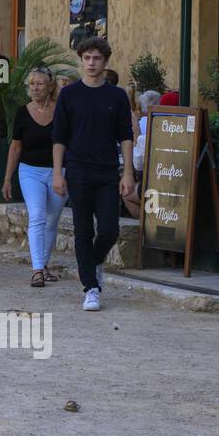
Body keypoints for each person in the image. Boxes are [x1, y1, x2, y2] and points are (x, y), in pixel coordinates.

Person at [52, 37, 135, 312]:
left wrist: (128, 173)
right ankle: (91, 287)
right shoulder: (69, 95)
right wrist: (57, 173)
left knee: (110, 228)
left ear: (105, 61)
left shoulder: (117, 96)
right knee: (83, 231)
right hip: (77, 170)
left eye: (96, 58)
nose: (91, 63)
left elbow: (126, 136)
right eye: (87, 58)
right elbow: (59, 137)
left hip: (108, 171)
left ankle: (94, 262)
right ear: (81, 60)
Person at [4, 66, 67, 287]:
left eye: (40, 83)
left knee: (52, 220)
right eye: (32, 84)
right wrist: (7, 178)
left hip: (59, 171)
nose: (35, 88)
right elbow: (15, 147)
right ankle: (37, 269)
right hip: (30, 170)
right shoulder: (23, 112)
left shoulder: (62, 110)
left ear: (50, 86)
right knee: (38, 215)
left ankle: (44, 264)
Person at [124, 89, 163, 219]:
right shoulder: (166, 123)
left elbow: (138, 163)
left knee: (126, 193)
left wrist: (136, 132)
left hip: (154, 186)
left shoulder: (141, 125)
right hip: (169, 181)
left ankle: (144, 226)